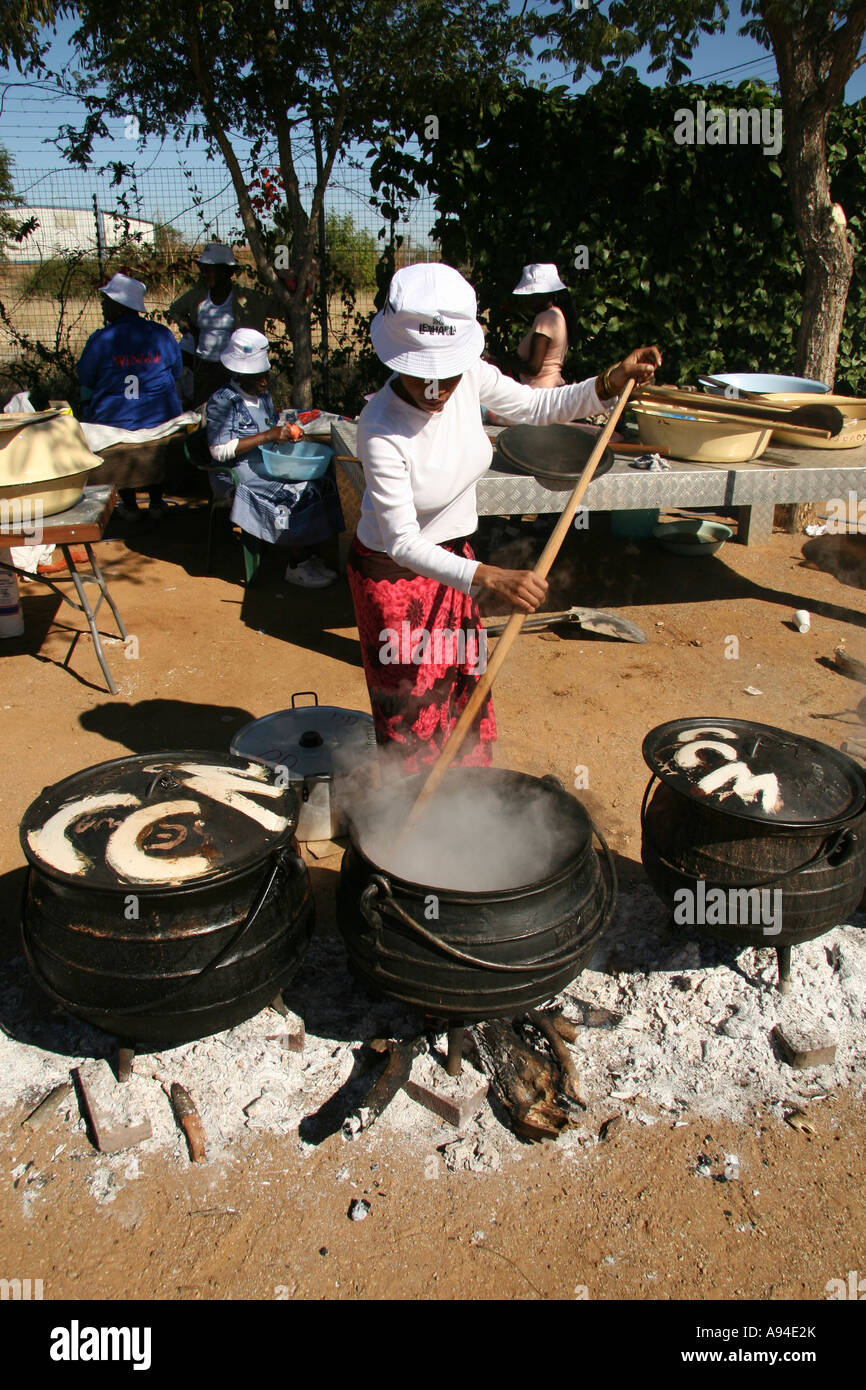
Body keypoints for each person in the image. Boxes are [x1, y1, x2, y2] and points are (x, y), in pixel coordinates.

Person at [349, 262, 661, 772]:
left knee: (462, 688)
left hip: (455, 564)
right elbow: (402, 542)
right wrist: (491, 576)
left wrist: (611, 380)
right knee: (412, 711)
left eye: (446, 370)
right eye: (423, 372)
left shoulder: (470, 376)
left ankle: (467, 807)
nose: (438, 387)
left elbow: (541, 406)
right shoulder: (380, 426)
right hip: (395, 579)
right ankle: (407, 822)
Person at [206, 329, 343, 588]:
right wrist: (268, 435)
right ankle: (295, 564)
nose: (264, 381)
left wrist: (285, 433)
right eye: (258, 376)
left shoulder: (262, 395)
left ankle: (307, 555)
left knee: (321, 484)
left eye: (265, 374)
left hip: (267, 464)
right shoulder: (223, 402)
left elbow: (270, 426)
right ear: (240, 373)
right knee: (292, 496)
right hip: (237, 474)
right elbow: (218, 451)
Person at [76, 272, 183, 521]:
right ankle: (156, 502)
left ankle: (130, 505)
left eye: (107, 300)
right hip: (161, 425)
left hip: (112, 426)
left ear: (119, 305)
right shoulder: (162, 335)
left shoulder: (101, 339)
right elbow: (176, 371)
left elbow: (86, 377)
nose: (103, 304)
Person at [170, 244, 279, 407]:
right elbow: (175, 310)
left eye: (209, 270)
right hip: (205, 366)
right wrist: (188, 329)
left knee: (238, 412)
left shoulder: (246, 299)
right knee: (204, 412)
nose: (204, 274)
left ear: (225, 272)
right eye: (203, 269)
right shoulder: (198, 296)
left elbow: (277, 307)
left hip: (236, 368)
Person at [511, 262, 579, 388]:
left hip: (540, 392)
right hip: (551, 386)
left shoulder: (546, 319)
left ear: (544, 295)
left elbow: (534, 367)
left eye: (531, 295)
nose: (527, 300)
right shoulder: (556, 314)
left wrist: (501, 362)